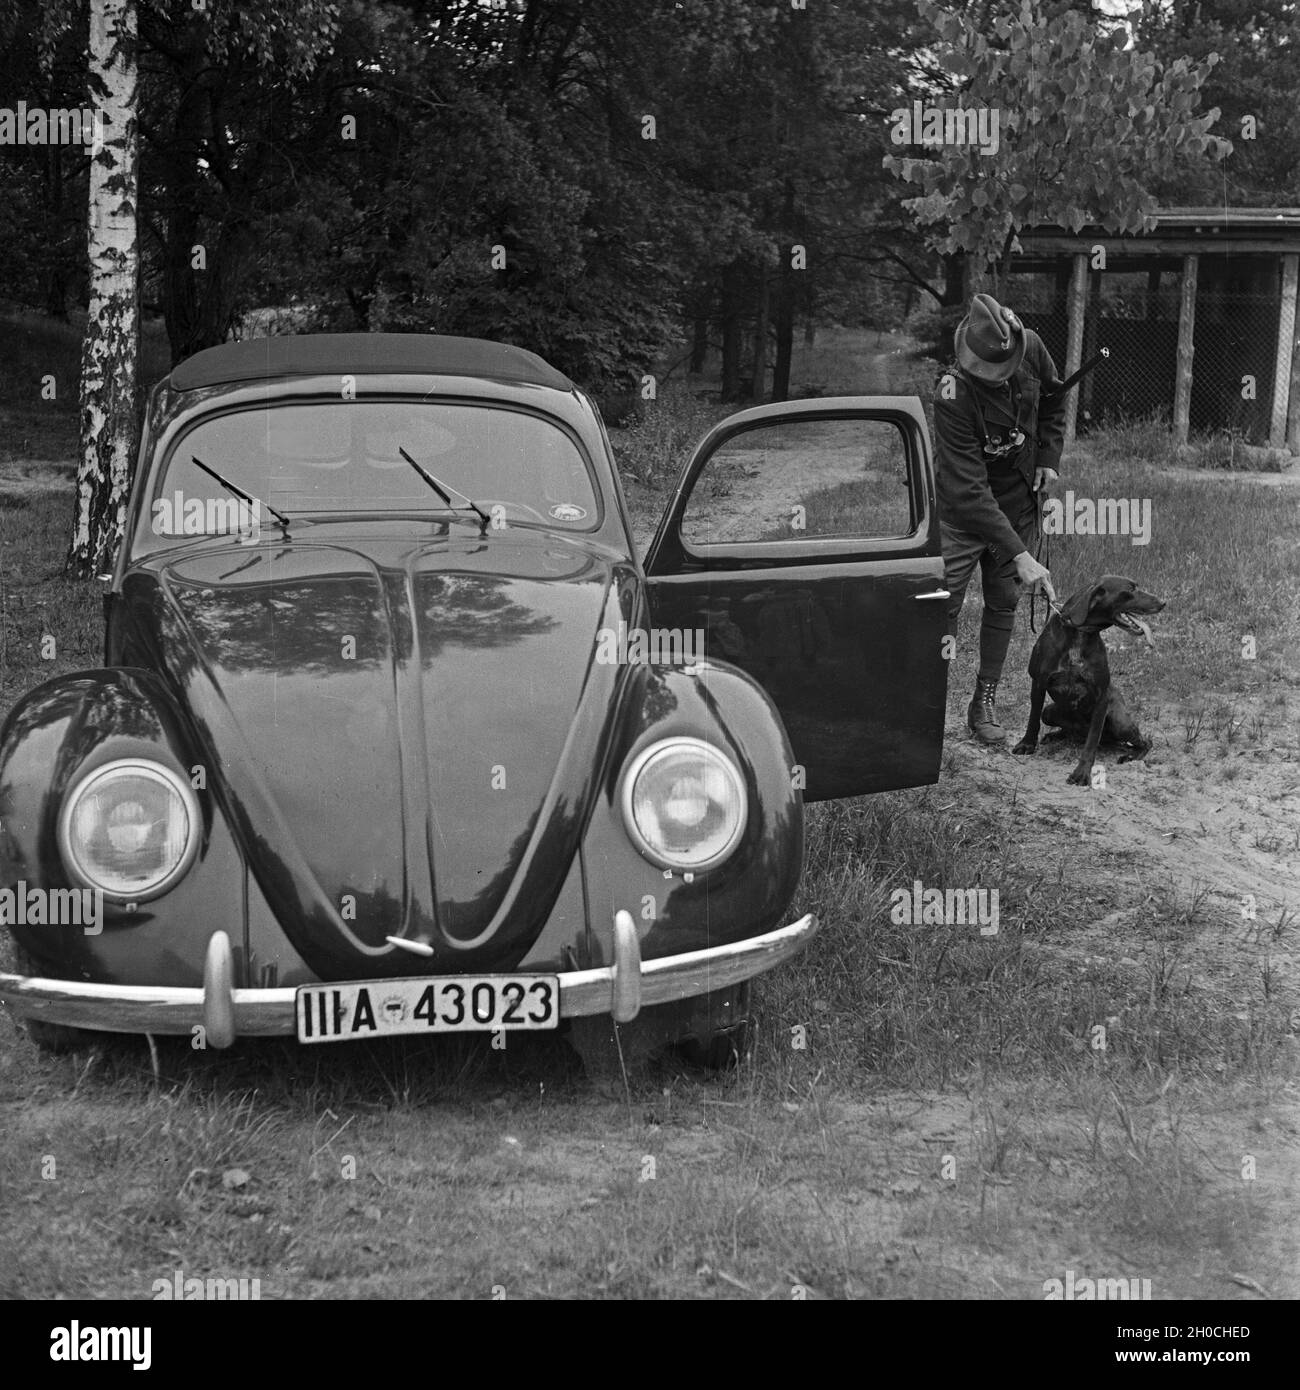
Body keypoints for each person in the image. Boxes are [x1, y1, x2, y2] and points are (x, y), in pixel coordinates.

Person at [933, 292, 1067, 744]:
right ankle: (928, 700)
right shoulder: (951, 394)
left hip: (1017, 502)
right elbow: (969, 491)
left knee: (1003, 601)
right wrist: (1019, 553)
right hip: (963, 516)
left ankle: (982, 702)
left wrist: (1048, 456)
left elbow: (1054, 400)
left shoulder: (1030, 346)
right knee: (942, 605)